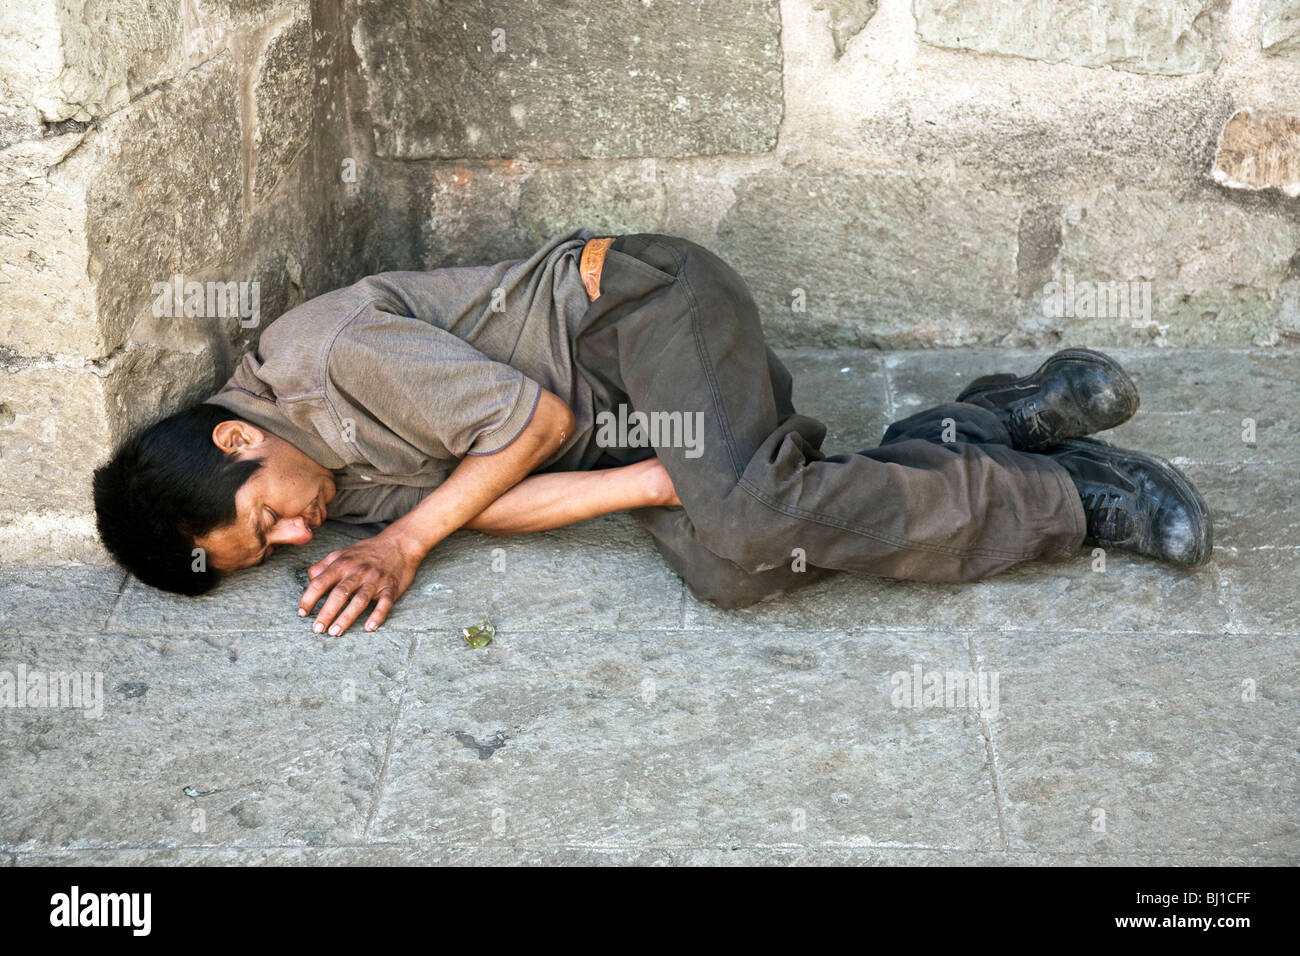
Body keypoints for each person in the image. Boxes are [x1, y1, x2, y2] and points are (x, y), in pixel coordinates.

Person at [93, 229, 1212, 635]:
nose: (298, 539)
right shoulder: (312, 475)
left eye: (261, 525)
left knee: (751, 508)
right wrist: (658, 486)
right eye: (271, 557)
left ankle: (1073, 497)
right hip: (623, 425)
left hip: (643, 315)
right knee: (738, 563)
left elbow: (529, 423)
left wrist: (405, 543)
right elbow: (499, 490)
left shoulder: (327, 359)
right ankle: (987, 425)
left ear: (236, 444)